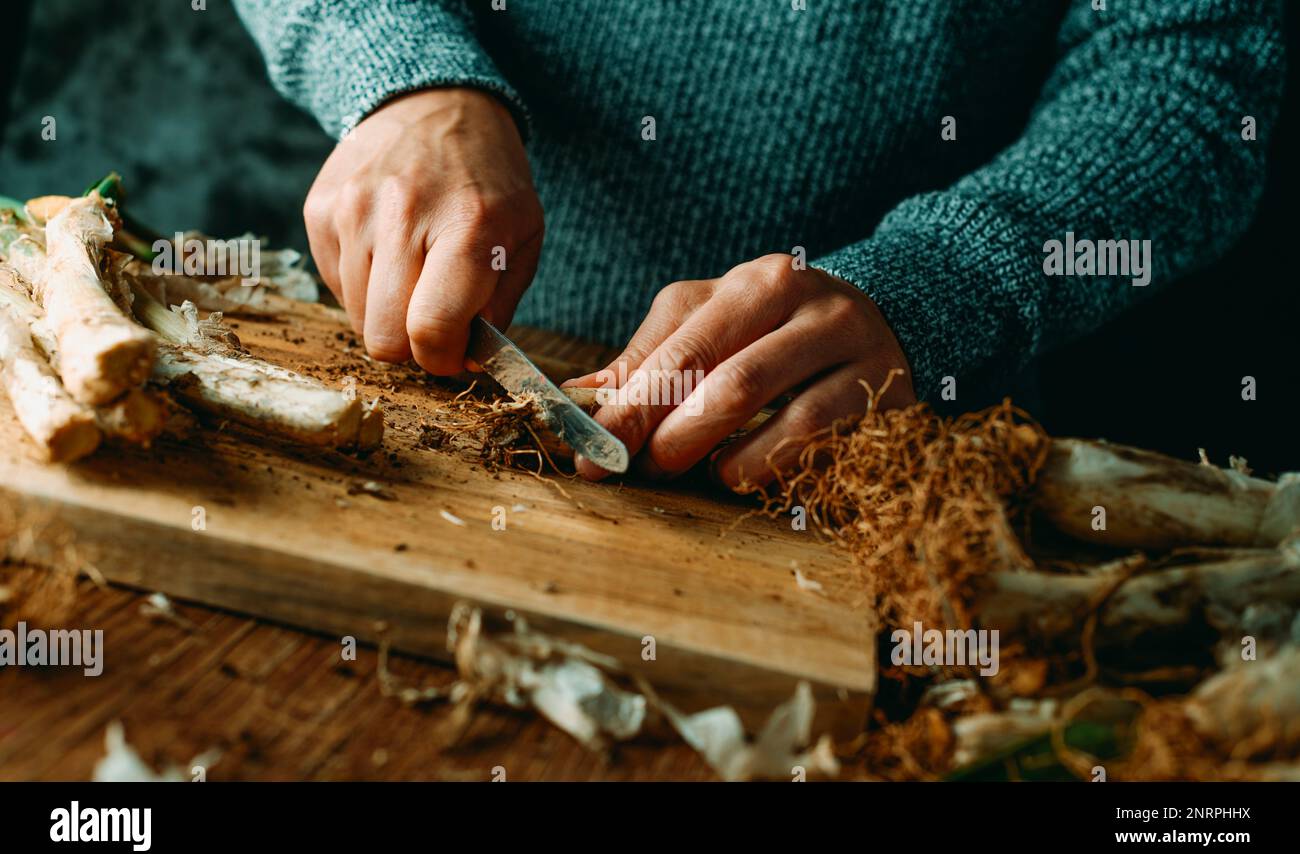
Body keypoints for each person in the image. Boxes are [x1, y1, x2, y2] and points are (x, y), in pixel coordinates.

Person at [235, 0, 1284, 488]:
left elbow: (1185, 76)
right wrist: (394, 65)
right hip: (419, 401)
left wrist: (947, 281)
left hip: (884, 458)